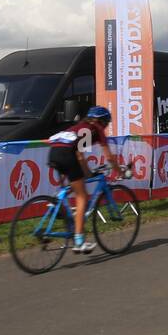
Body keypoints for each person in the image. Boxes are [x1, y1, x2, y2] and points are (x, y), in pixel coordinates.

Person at [46, 105, 121, 253]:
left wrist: (88, 174)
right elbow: (109, 157)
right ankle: (79, 241)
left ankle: (56, 202)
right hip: (66, 154)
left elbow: (80, 156)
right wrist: (120, 171)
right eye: (106, 123)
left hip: (54, 152)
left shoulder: (80, 127)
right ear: (101, 121)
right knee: (82, 197)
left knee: (73, 185)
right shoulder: (96, 129)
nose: (106, 127)